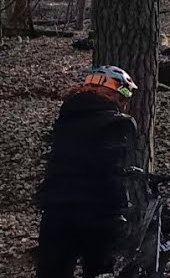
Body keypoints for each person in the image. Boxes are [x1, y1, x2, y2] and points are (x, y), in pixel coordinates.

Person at [37, 65, 141, 278]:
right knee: (99, 271)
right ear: (112, 92)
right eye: (123, 96)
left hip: (57, 208)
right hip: (100, 212)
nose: (124, 103)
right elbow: (122, 165)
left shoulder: (65, 117)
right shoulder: (121, 123)